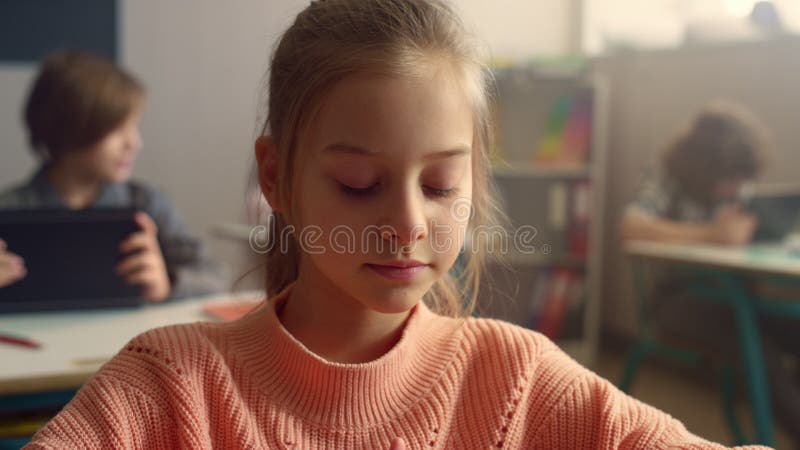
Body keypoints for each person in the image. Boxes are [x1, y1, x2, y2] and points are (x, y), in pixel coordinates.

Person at [25, 2, 768, 449]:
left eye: (441, 185)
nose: (408, 223)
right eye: (359, 185)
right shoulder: (170, 385)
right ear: (276, 177)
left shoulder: (516, 377)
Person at [620, 101, 800, 445]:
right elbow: (631, 227)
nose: (737, 189)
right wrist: (709, 234)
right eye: (730, 180)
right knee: (754, 346)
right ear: (705, 167)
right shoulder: (666, 175)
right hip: (678, 300)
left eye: (743, 180)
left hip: (735, 298)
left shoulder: (739, 190)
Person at [0, 51, 228, 301]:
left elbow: (216, 276)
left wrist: (168, 283)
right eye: (116, 128)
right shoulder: (8, 210)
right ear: (69, 129)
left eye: (134, 126)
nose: (134, 143)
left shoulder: (147, 204)